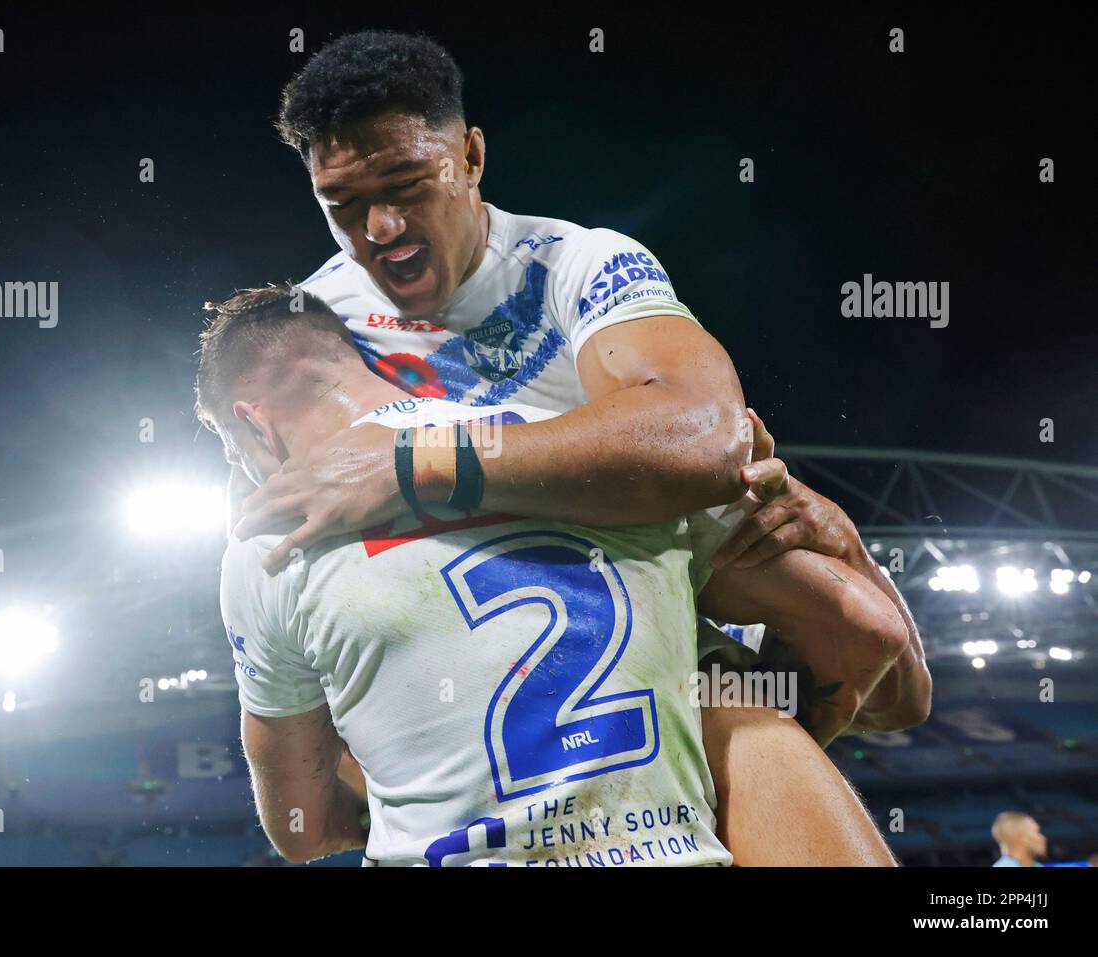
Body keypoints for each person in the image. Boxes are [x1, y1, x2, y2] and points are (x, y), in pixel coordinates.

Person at [231, 31, 931, 862]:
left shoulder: (573, 264)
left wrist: (414, 466)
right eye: (341, 203)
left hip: (648, 587)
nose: (380, 228)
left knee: (879, 670)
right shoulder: (315, 328)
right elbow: (282, 543)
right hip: (480, 657)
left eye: (408, 184)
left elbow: (702, 435)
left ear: (473, 155)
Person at [198, 287, 903, 866]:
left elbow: (302, 826)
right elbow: (869, 631)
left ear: (254, 426)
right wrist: (755, 733)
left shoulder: (270, 541)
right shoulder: (614, 453)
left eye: (233, 455)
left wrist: (415, 792)